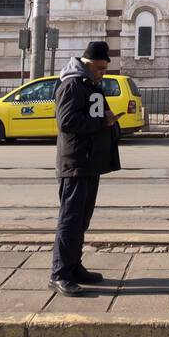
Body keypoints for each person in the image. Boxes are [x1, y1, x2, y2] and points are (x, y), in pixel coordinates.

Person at [50, 41, 121, 296]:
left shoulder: (90, 84)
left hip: (90, 161)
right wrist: (102, 121)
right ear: (88, 63)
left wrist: (110, 121)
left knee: (82, 218)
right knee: (70, 218)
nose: (103, 73)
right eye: (100, 68)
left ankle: (74, 265)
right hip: (76, 162)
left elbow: (95, 114)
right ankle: (59, 273)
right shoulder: (71, 84)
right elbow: (67, 121)